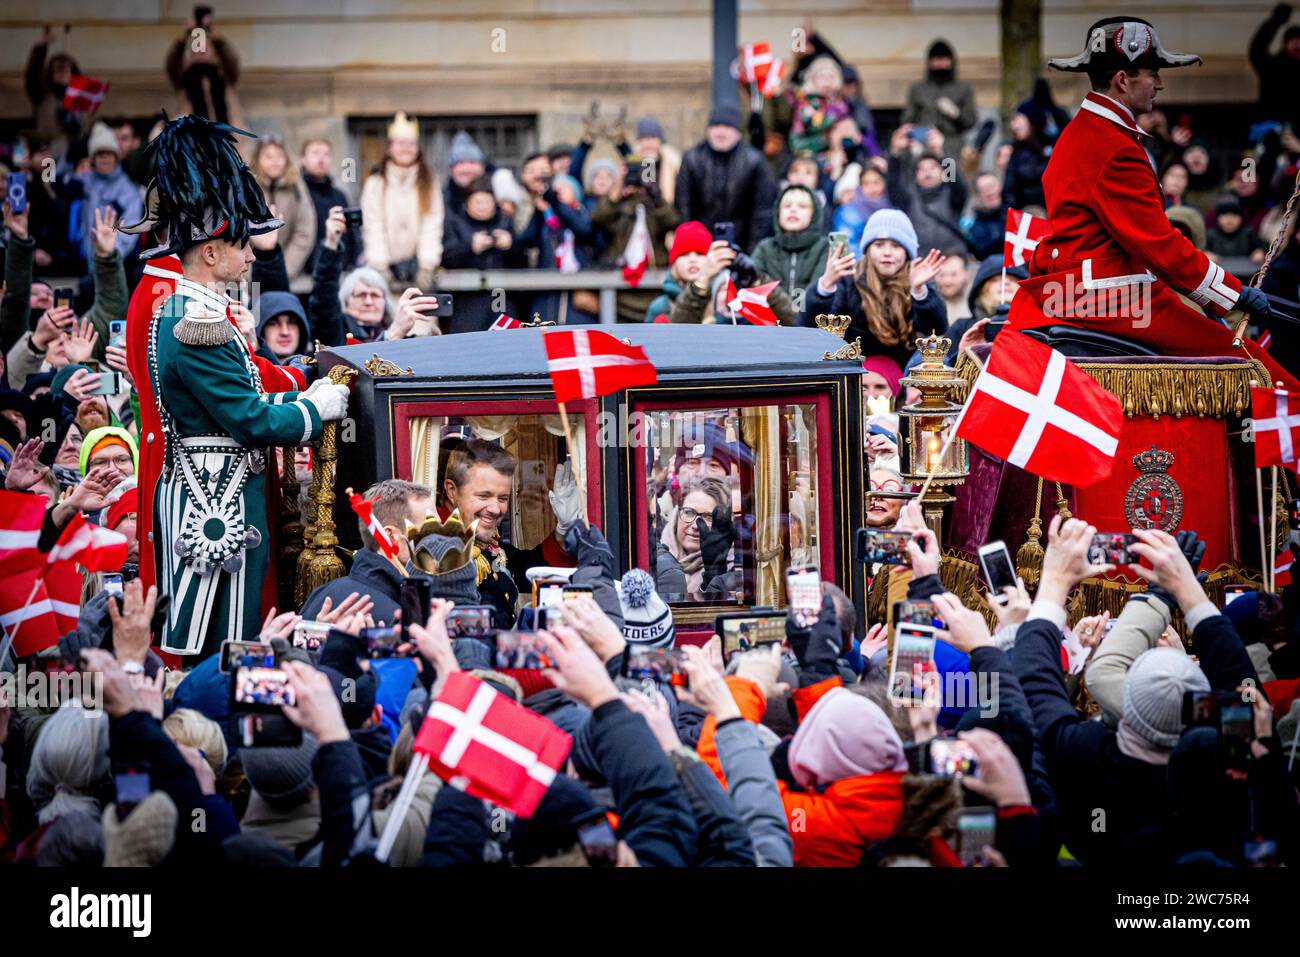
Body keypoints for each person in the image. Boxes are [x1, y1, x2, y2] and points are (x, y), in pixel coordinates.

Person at [132, 114, 350, 658]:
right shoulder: (194, 321)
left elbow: (245, 395)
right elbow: (247, 418)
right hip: (216, 494)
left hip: (219, 484)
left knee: (232, 620)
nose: (252, 255)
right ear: (209, 252)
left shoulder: (197, 310)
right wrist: (313, 409)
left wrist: (298, 397)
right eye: (240, 246)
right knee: (223, 631)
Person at [1013, 16, 1294, 391]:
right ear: (1123, 79)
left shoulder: (1083, 131)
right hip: (1115, 298)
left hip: (1086, 290)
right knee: (1250, 368)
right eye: (1152, 72)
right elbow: (1158, 244)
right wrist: (1233, 294)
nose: (1160, 83)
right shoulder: (1113, 147)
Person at [803, 208, 949, 368]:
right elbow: (814, 330)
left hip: (904, 376)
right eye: (879, 245)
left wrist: (919, 291)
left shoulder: (917, 278)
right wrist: (826, 285)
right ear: (867, 250)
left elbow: (936, 328)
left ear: (907, 252)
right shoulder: (849, 280)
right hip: (858, 373)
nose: (887, 252)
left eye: (896, 246)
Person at [300, 479, 433, 623]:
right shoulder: (399, 619)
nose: (440, 539)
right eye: (429, 530)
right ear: (391, 537)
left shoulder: (322, 594)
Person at [674, 105, 778, 252]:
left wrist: (753, 253)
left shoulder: (755, 161)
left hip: (743, 246)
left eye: (728, 126)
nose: (721, 132)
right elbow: (683, 207)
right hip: (702, 248)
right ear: (708, 130)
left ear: (738, 132)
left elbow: (763, 210)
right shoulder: (692, 159)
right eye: (716, 126)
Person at [360, 112, 444, 291]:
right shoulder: (376, 184)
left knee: (423, 317)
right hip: (385, 270)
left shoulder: (429, 183)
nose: (405, 148)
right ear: (390, 148)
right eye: (400, 143)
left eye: (411, 144)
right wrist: (380, 265)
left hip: (420, 270)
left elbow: (432, 224)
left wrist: (427, 265)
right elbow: (373, 225)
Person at [591, 161, 677, 322]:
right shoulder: (617, 207)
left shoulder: (653, 205)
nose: (635, 179)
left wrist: (655, 195)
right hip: (621, 293)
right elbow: (598, 219)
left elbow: (672, 222)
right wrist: (616, 190)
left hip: (654, 288)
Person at [440, 177, 517, 332]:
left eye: (487, 202)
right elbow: (446, 258)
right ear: (467, 204)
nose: (483, 207)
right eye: (478, 202)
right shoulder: (454, 223)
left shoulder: (505, 223)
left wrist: (510, 246)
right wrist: (470, 247)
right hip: (466, 300)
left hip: (501, 296)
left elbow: (522, 262)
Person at [886, 125, 969, 257]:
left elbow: (957, 182)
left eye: (933, 167)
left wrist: (941, 152)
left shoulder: (952, 195)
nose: (927, 172)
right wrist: (895, 152)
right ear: (915, 175)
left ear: (943, 172)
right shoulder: (908, 198)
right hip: (920, 262)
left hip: (951, 262)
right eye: (921, 169)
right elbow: (892, 184)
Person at [655, 476, 736, 602]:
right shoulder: (654, 558)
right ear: (677, 515)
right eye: (689, 512)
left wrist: (714, 573)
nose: (695, 525)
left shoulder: (733, 568)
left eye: (708, 516)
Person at [74, 123, 145, 265]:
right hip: (86, 263)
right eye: (100, 154)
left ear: (116, 157)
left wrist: (108, 256)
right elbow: (56, 182)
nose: (104, 158)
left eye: (109, 153)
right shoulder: (84, 181)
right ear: (92, 158)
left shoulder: (128, 190)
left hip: (115, 263)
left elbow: (130, 229)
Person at [252, 138, 317, 284]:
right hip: (248, 273)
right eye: (268, 156)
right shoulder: (247, 187)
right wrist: (248, 274)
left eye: (280, 156)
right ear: (257, 159)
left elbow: (304, 232)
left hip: (287, 273)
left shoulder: (296, 188)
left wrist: (284, 271)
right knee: (253, 306)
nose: (275, 161)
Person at [750, 184, 830, 300]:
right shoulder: (764, 248)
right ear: (778, 213)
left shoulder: (825, 247)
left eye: (802, 206)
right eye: (787, 206)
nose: (793, 210)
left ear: (815, 214)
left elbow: (819, 297)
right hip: (772, 317)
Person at [165, 8, 239, 124]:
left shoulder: (223, 79)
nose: (201, 51)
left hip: (225, 137)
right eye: (196, 47)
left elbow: (231, 60)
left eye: (206, 47)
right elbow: (172, 63)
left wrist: (214, 36)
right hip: (194, 138)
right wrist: (184, 38)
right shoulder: (185, 81)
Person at [902, 40, 978, 153]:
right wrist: (915, 137)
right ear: (930, 62)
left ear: (951, 61)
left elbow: (971, 121)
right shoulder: (918, 88)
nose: (940, 63)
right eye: (936, 59)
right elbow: (907, 120)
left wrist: (955, 114)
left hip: (952, 144)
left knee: (951, 170)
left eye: (944, 59)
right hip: (924, 143)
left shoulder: (963, 88)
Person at [300, 139, 358, 273]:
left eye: (326, 154)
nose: (321, 159)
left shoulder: (339, 196)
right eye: (315, 153)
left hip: (337, 268)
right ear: (303, 159)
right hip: (302, 270)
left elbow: (351, 234)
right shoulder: (296, 194)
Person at [644, 221, 711, 323]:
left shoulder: (722, 300)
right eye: (685, 254)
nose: (692, 259)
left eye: (700, 253)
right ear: (675, 263)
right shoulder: (660, 307)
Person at [1250, 3, 1300, 129]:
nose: (1297, 46)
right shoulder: (1272, 67)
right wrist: (1276, 20)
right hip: (1270, 126)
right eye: (1293, 41)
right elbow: (1257, 48)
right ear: (1284, 44)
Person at [1206, 195, 1269, 264]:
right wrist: (1205, 254)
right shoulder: (1210, 235)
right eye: (1225, 214)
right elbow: (1198, 249)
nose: (1229, 219)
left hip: (1245, 273)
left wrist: (1260, 251)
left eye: (1234, 215)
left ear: (1241, 217)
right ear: (1218, 217)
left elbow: (1266, 245)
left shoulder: (1248, 233)